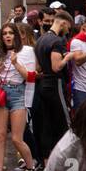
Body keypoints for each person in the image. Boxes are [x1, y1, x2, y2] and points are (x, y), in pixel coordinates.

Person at [0, 24, 35, 171]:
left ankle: (30, 167)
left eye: (11, 33)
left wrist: (16, 64)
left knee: (16, 138)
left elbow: (30, 77)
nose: (7, 36)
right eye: (4, 33)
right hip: (1, 93)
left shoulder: (27, 51)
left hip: (18, 93)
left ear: (16, 35)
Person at [32, 11, 73, 163]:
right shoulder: (57, 41)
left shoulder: (41, 39)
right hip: (55, 84)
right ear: (62, 23)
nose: (67, 32)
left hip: (43, 84)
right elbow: (57, 67)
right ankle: (70, 170)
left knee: (47, 125)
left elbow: (37, 67)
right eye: (68, 28)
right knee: (65, 125)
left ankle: (48, 165)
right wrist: (68, 57)